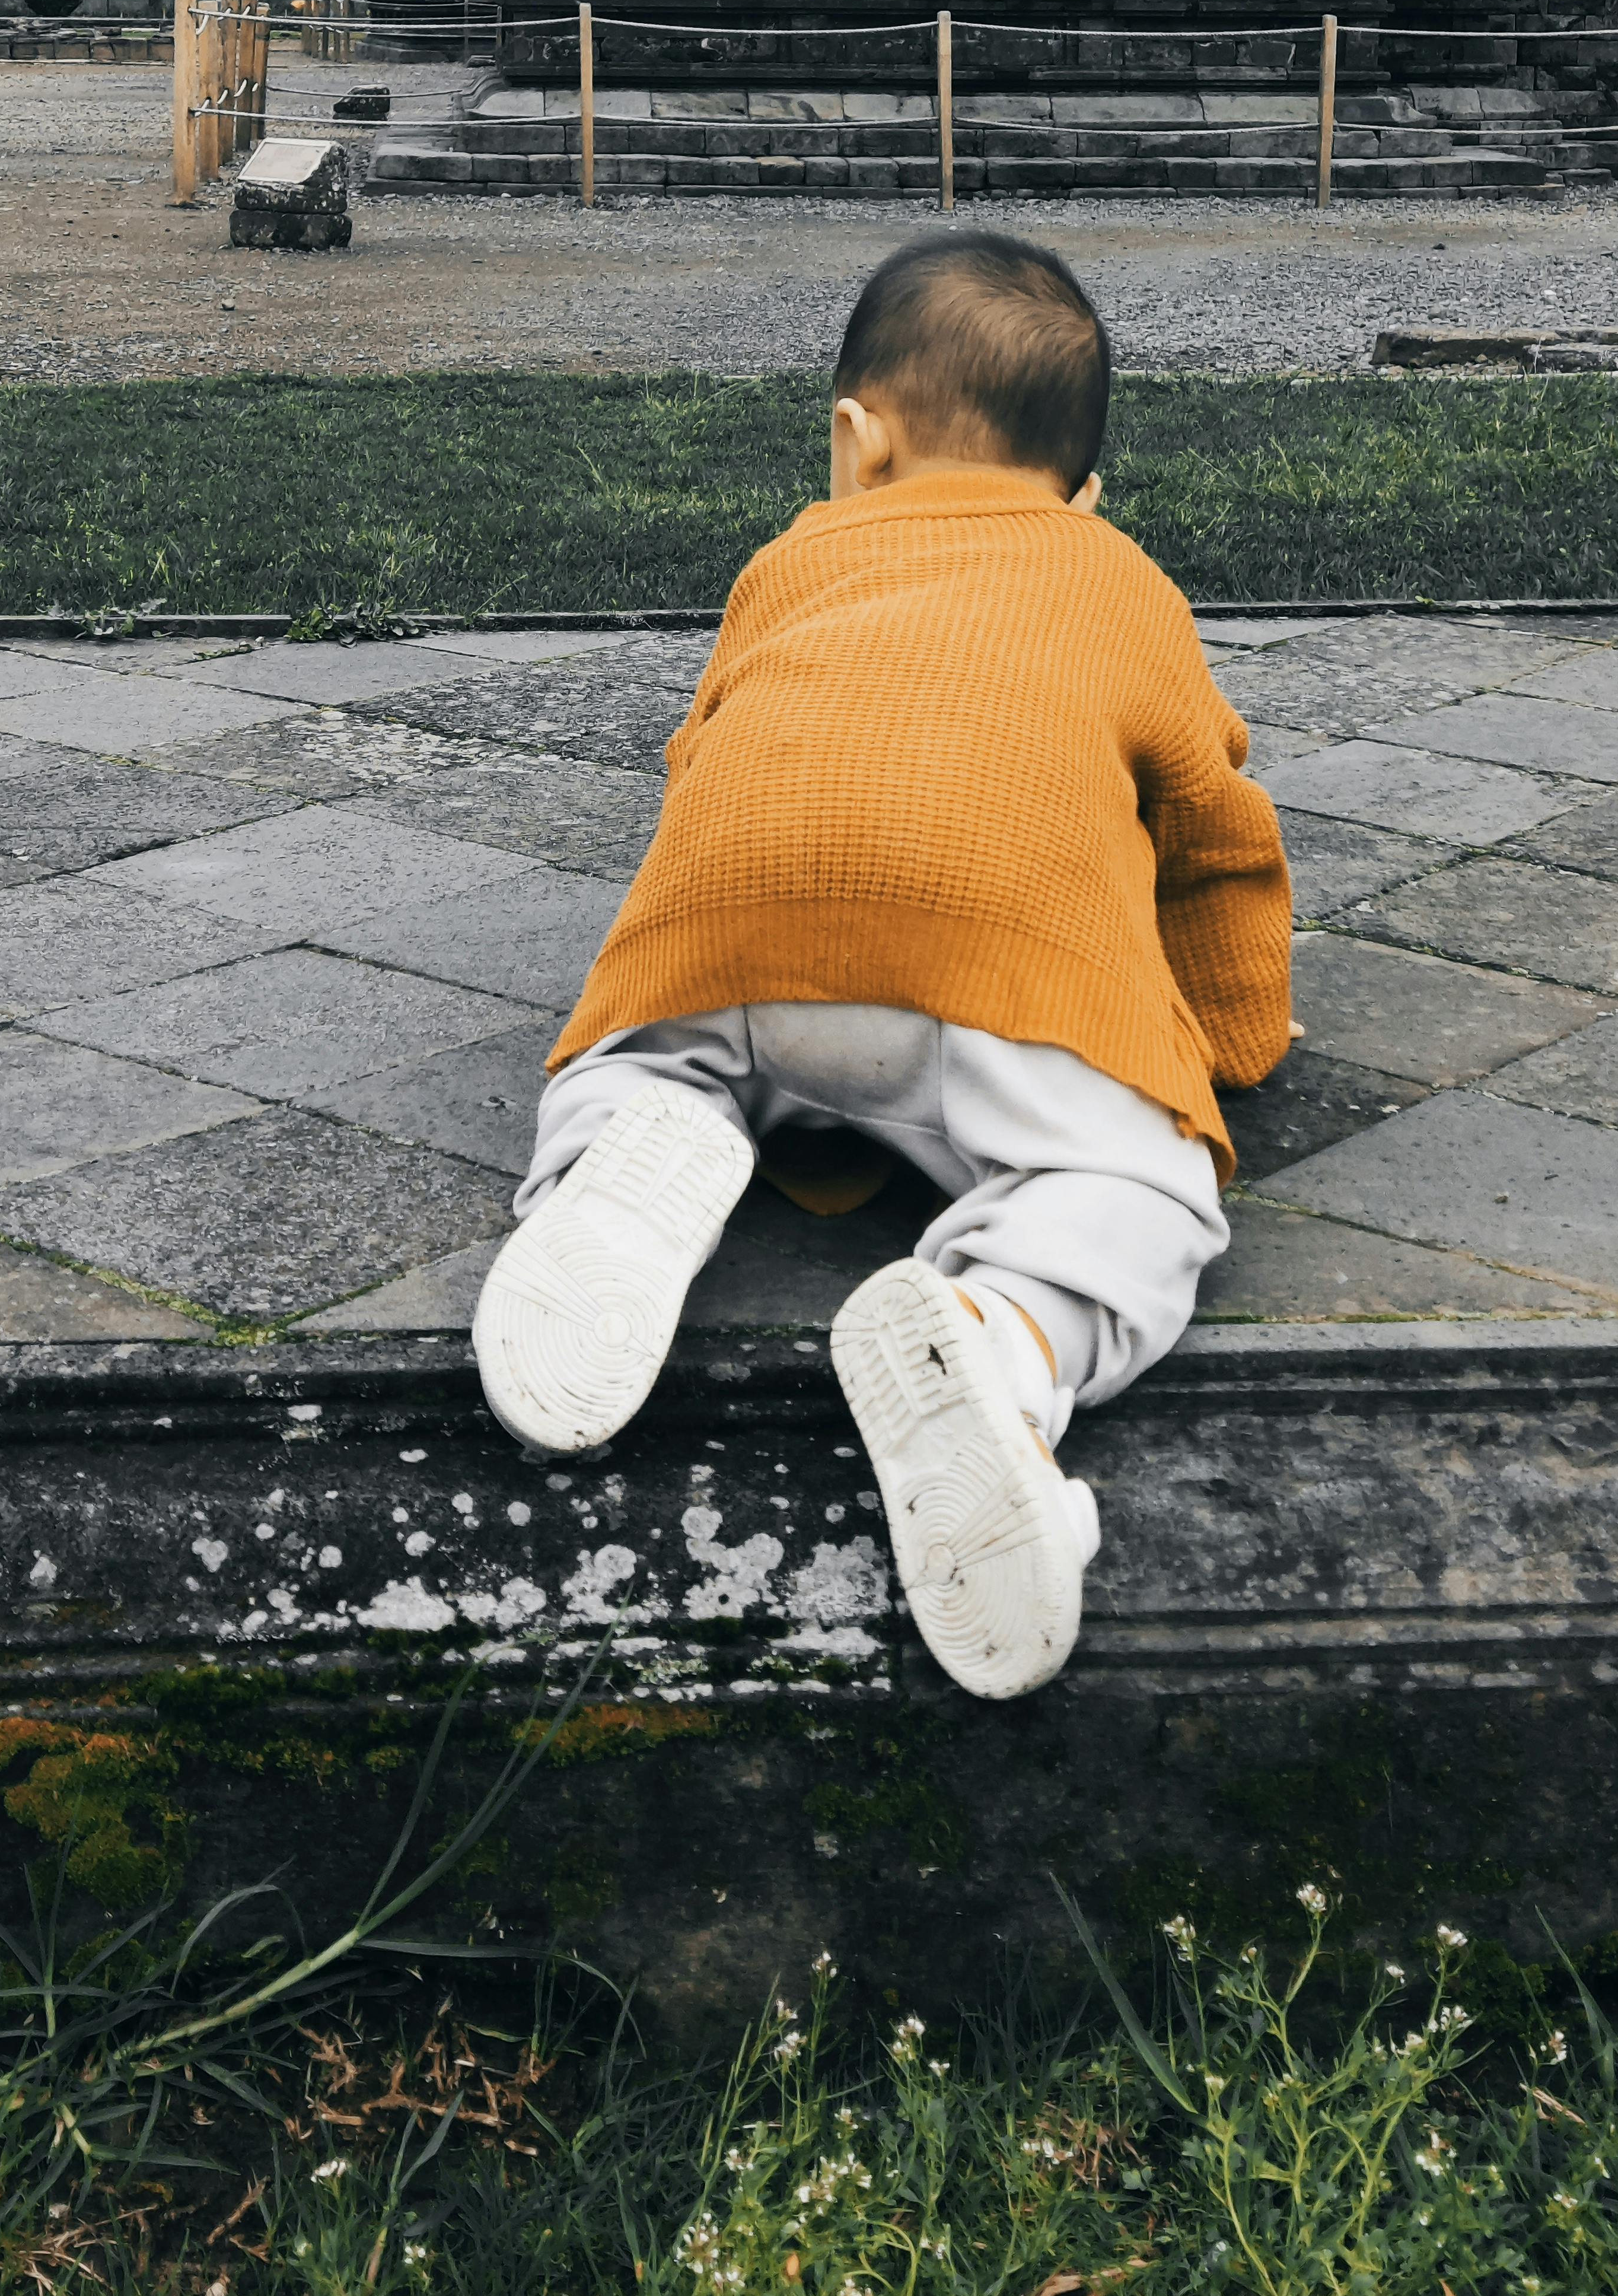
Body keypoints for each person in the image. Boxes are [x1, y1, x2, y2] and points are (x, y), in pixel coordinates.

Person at [470, 228, 1291, 1703]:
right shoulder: (1123, 581)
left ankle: (632, 1168)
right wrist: (1224, 1038)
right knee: (1132, 1194)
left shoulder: (787, 561)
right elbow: (1219, 835)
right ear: (1085, 493)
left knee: (648, 1059)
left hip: (735, 936)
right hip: (993, 976)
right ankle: (1005, 1331)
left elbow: (701, 759)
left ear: (857, 443)